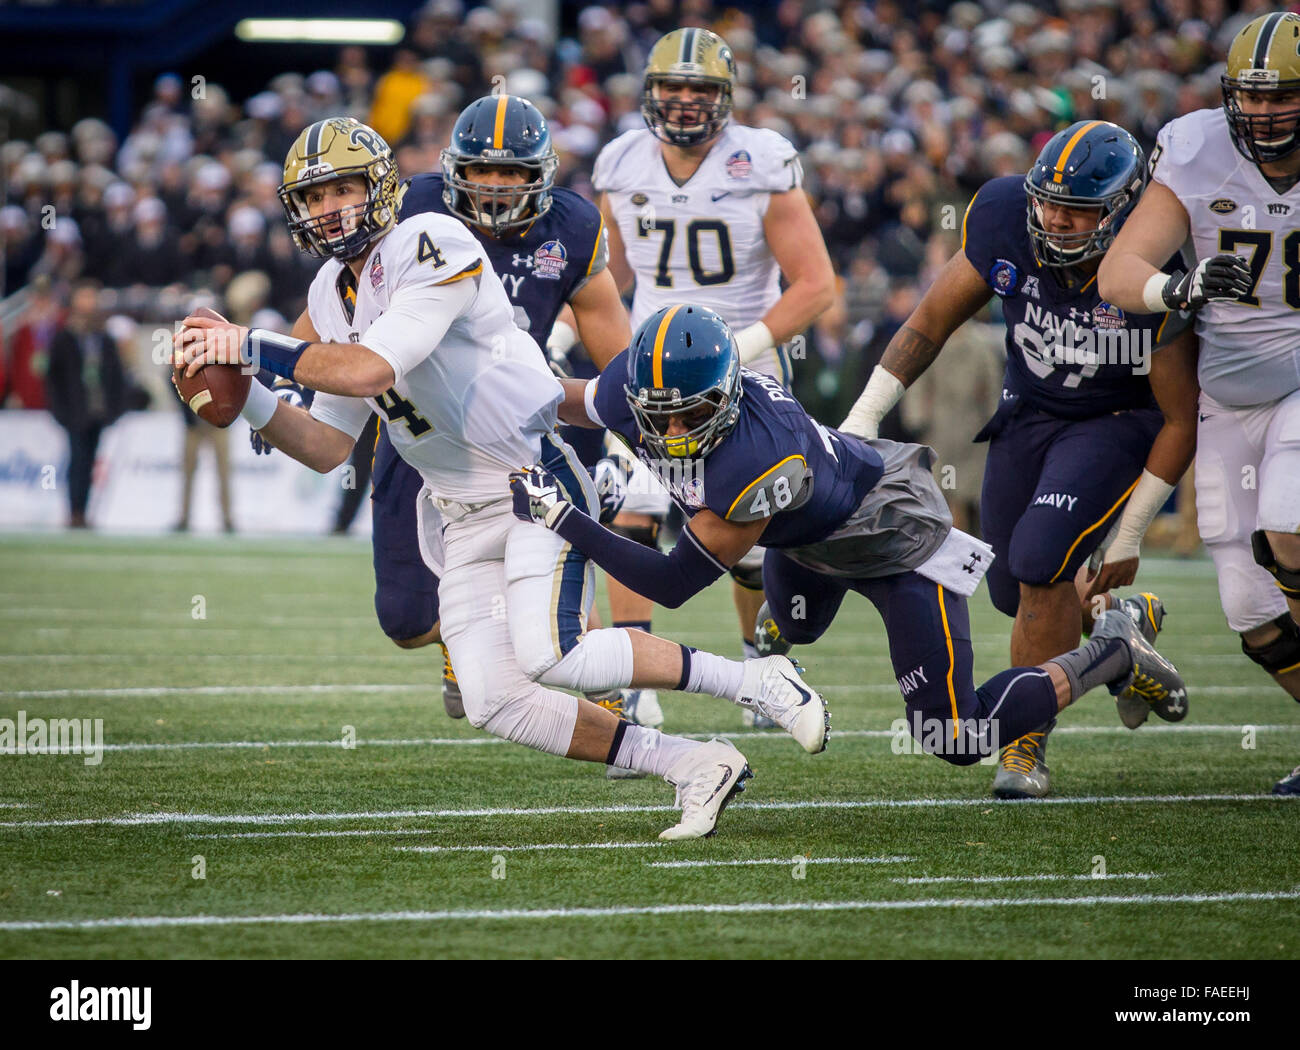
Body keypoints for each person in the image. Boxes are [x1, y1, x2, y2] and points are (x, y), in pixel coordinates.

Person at [176, 117, 829, 841]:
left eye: (342, 189)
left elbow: (372, 368)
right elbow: (332, 444)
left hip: (530, 480)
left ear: (381, 187)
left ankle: (756, 681)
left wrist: (244, 343)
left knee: (555, 652)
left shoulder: (433, 242)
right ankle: (691, 764)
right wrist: (253, 402)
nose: (329, 208)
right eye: (313, 196)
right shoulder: (332, 292)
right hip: (458, 509)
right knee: (492, 697)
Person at [509, 305, 1191, 771]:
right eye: (659, 414)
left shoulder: (758, 460)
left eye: (691, 413)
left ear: (725, 394)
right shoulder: (639, 387)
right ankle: (779, 631)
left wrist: (566, 518)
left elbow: (673, 583)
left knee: (953, 735)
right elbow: (559, 398)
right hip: (808, 537)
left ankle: (1112, 649)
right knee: (792, 630)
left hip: (892, 535)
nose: (674, 431)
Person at [837, 120, 1200, 799]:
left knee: (1038, 564)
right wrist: (862, 420)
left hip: (1114, 421)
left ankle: (1024, 749)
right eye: (1049, 201)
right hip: (1029, 413)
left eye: (1079, 208)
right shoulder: (1005, 214)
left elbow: (1183, 416)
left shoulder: (1160, 267)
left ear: (1123, 209)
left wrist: (1130, 534)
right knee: (1012, 588)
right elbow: (928, 323)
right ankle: (1121, 635)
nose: (1057, 219)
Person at [592, 27, 836, 727]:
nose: (685, 100)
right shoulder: (620, 162)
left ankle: (760, 667)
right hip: (652, 377)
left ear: (724, 98)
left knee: (748, 550)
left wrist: (741, 347)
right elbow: (606, 282)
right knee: (629, 512)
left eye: (701, 89)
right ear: (650, 91)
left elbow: (816, 284)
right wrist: (604, 358)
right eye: (673, 87)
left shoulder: (759, 161)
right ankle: (635, 681)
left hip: (744, 373)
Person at [1098, 12, 1300, 796]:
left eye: (1282, 97)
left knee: (1286, 527)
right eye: (1250, 96)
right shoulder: (1197, 145)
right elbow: (1124, 271)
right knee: (1248, 605)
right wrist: (1175, 286)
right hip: (1227, 389)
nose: (1262, 113)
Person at [45, 279, 129, 528]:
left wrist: (115, 410)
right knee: (78, 460)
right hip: (74, 411)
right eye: (84, 297)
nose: (88, 303)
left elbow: (116, 376)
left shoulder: (104, 338)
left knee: (90, 461)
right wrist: (60, 411)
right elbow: (54, 378)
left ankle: (83, 511)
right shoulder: (64, 338)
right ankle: (75, 512)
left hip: (97, 410)